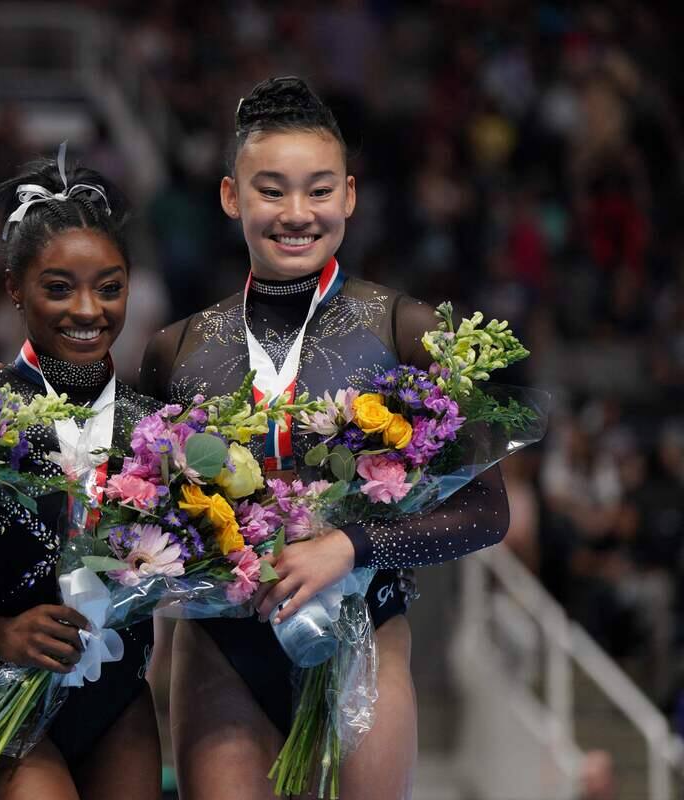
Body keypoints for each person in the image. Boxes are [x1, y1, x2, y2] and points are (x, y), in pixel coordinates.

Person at [140, 77, 510, 799]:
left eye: (317, 191)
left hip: (362, 635)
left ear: (349, 194)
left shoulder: (408, 329)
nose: (296, 214)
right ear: (230, 196)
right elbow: (151, 511)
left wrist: (350, 545)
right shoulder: (176, 349)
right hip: (223, 649)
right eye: (271, 191)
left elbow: (486, 513)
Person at [0, 155, 161, 799]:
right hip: (5, 693)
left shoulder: (161, 432)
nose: (88, 310)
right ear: (14, 288)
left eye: (109, 287)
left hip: (121, 701)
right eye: (59, 288)